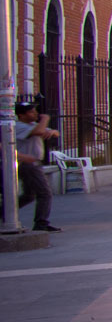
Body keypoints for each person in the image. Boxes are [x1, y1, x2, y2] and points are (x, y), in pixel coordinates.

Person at [12, 99, 59, 233]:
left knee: (29, 196)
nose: (35, 114)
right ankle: (41, 223)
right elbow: (39, 132)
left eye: (35, 111)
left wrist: (52, 132)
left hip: (35, 164)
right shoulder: (19, 126)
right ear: (21, 115)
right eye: (31, 112)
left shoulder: (33, 125)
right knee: (45, 193)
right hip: (28, 164)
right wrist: (45, 119)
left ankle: (4, 213)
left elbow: (55, 132)